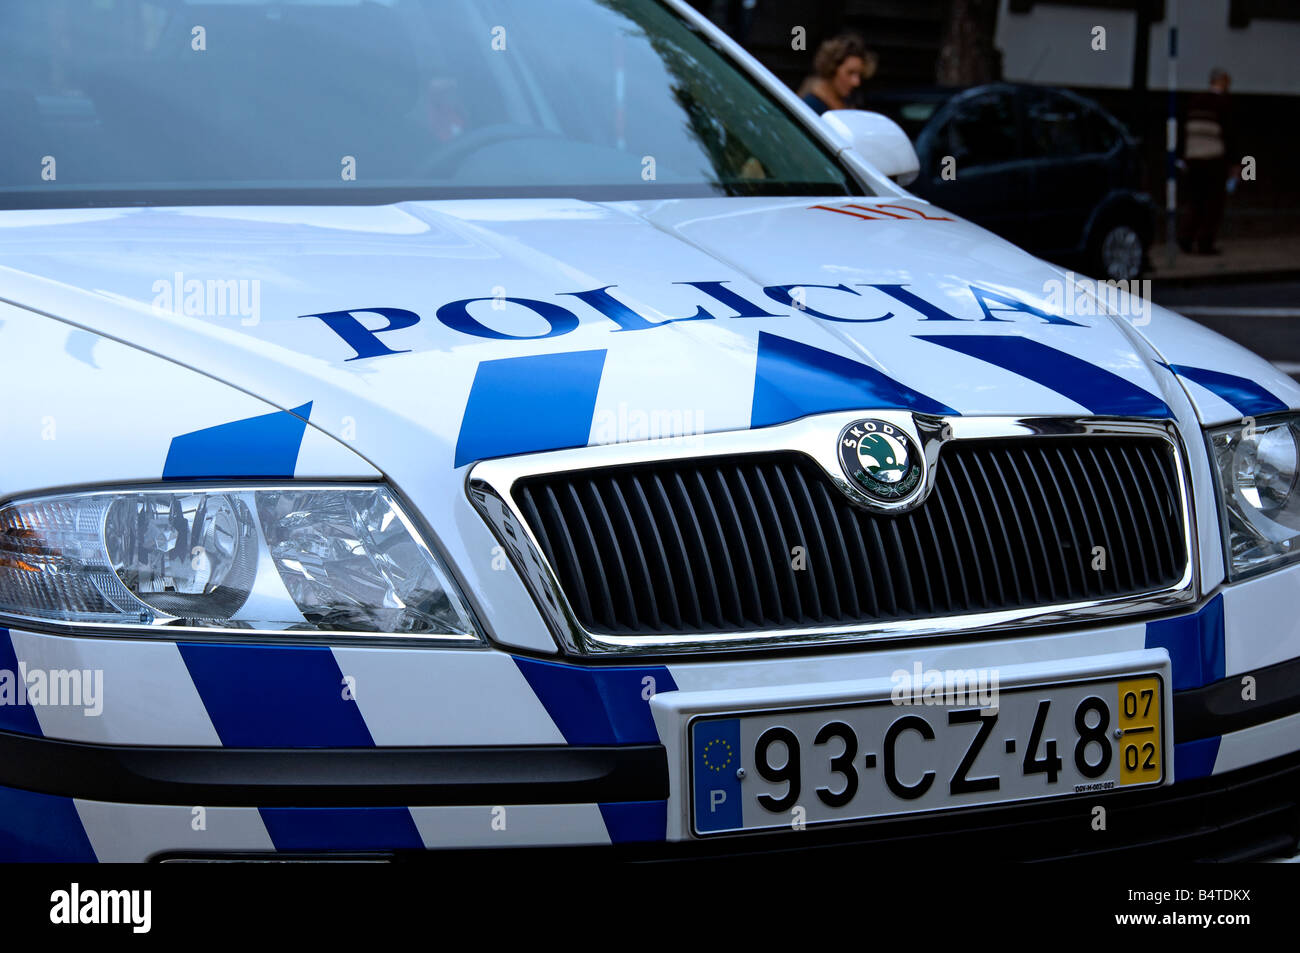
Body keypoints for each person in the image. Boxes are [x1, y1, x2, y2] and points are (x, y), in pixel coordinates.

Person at [1178, 68, 1235, 255]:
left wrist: (1182, 156)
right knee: (1213, 203)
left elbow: (1182, 131)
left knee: (1195, 200)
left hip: (1193, 158)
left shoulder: (1194, 101)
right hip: (1214, 160)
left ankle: (1185, 239)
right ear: (1223, 82)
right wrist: (1235, 163)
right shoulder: (1225, 103)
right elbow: (1229, 135)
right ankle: (1205, 243)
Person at [800, 34, 877, 115]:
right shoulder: (811, 106)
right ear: (832, 68)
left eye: (859, 75)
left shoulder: (848, 102)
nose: (856, 82)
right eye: (850, 73)